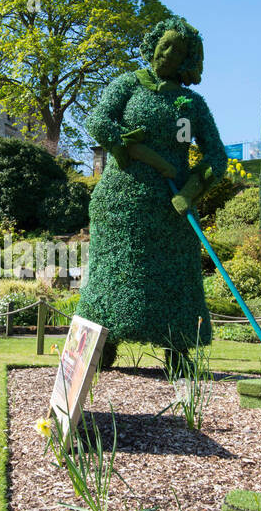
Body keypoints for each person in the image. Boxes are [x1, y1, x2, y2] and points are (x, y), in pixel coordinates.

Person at [77, 18, 227, 369]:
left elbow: (217, 156)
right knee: (113, 272)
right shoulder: (128, 85)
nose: (168, 51)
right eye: (165, 42)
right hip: (119, 203)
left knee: (175, 273)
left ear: (187, 59)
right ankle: (104, 344)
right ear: (154, 43)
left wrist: (190, 190)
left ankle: (177, 348)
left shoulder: (191, 104)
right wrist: (133, 147)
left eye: (178, 48)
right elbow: (99, 121)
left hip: (171, 208)